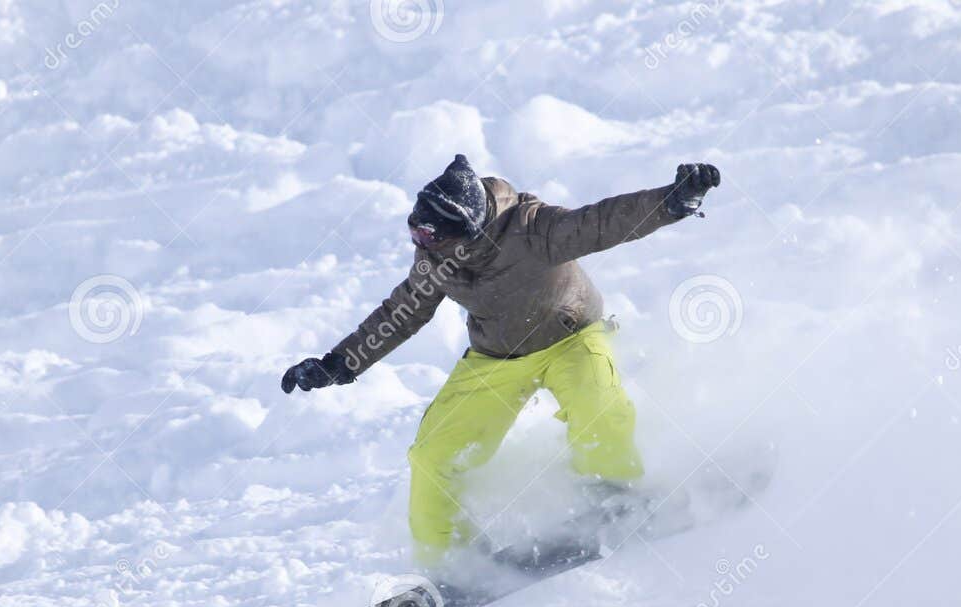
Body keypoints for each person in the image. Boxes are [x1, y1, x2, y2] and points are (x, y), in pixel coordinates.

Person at [283, 154, 721, 569]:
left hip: (569, 338)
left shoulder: (535, 229)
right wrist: (339, 363)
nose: (421, 243)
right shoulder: (437, 258)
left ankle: (615, 496)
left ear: (469, 228)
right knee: (433, 456)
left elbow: (602, 222)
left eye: (430, 236)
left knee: (597, 405)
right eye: (415, 232)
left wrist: (670, 201)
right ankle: (449, 560)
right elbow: (403, 311)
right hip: (496, 356)